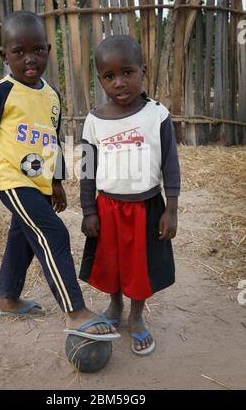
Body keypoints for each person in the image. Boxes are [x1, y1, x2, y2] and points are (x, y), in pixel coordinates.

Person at [0, 11, 119, 341]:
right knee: (54, 234)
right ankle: (75, 311)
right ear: (5, 56)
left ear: (49, 50)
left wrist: (57, 181)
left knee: (22, 238)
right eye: (19, 53)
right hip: (12, 181)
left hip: (39, 184)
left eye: (37, 51)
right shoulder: (0, 92)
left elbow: (56, 139)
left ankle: (7, 297)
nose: (29, 59)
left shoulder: (52, 96)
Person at [79, 35, 180, 355]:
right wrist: (88, 210)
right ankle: (115, 306)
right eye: (110, 76)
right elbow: (86, 168)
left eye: (128, 72)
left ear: (143, 71)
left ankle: (136, 317)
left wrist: (172, 209)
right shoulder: (94, 120)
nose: (119, 82)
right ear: (100, 80)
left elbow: (170, 164)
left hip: (146, 206)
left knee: (140, 266)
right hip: (106, 206)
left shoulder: (157, 115)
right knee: (109, 263)